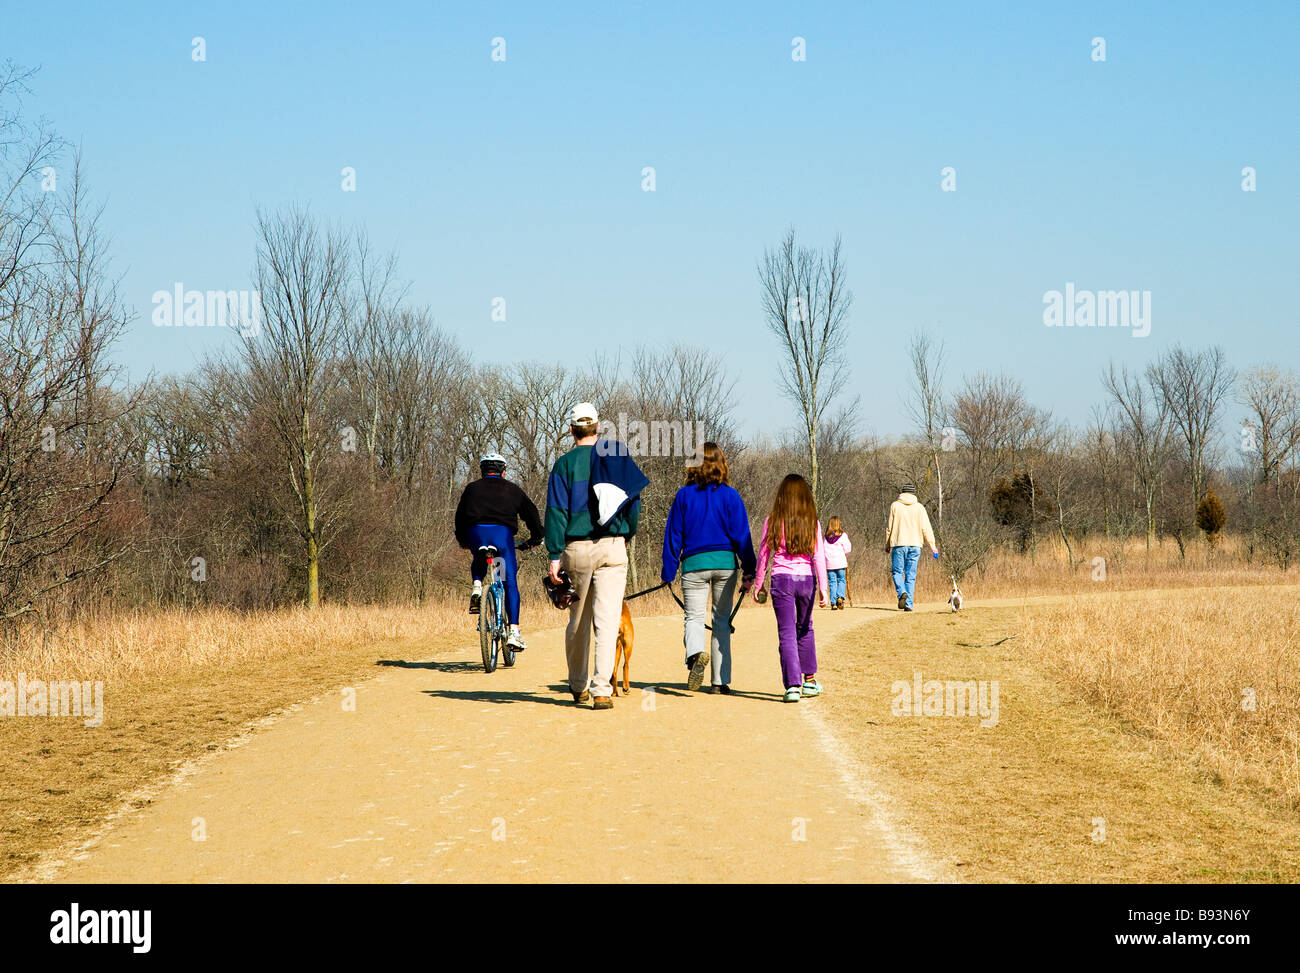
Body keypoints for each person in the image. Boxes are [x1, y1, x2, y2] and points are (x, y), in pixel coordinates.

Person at [545, 402, 645, 710]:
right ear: (598, 428)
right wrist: (626, 533)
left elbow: (557, 512)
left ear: (572, 430)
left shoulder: (564, 465)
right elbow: (634, 502)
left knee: (578, 620)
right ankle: (603, 689)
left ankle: (579, 686)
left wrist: (553, 553)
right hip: (613, 545)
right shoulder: (615, 457)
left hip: (577, 548)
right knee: (608, 619)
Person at [660, 442, 756, 695]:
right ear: (722, 464)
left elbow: (674, 536)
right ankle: (719, 681)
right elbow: (741, 536)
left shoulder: (684, 495)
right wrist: (749, 569)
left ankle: (694, 656)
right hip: (725, 564)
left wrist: (668, 572)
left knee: (693, 617)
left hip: (694, 565)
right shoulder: (730, 495)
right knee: (721, 621)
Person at [751, 474, 829, 703]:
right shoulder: (812, 521)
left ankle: (792, 686)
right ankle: (810, 681)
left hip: (781, 578)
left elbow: (764, 554)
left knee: (786, 631)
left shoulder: (773, 520)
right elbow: (819, 556)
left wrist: (758, 584)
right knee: (805, 628)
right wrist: (824, 587)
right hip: (806, 579)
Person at [454, 452, 543, 650]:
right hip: (501, 538)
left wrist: (463, 540)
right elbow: (532, 513)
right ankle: (514, 632)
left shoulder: (471, 489)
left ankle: (477, 586)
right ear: (503, 471)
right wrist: (536, 538)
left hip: (476, 535)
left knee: (479, 555)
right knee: (508, 582)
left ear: (483, 471)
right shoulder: (512, 489)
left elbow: (459, 518)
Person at [885, 482, 938, 612]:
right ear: (913, 493)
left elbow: (889, 528)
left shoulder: (895, 506)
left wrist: (887, 544)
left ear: (902, 493)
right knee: (911, 575)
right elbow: (926, 528)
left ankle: (902, 592)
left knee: (897, 572)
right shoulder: (920, 508)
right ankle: (909, 604)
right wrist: (933, 546)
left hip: (899, 544)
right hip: (915, 545)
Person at [824, 516, 852, 609]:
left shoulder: (826, 538)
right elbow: (848, 549)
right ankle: (840, 596)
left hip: (829, 564)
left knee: (832, 582)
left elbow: (823, 550)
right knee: (841, 580)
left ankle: (833, 603)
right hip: (840, 563)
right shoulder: (843, 535)